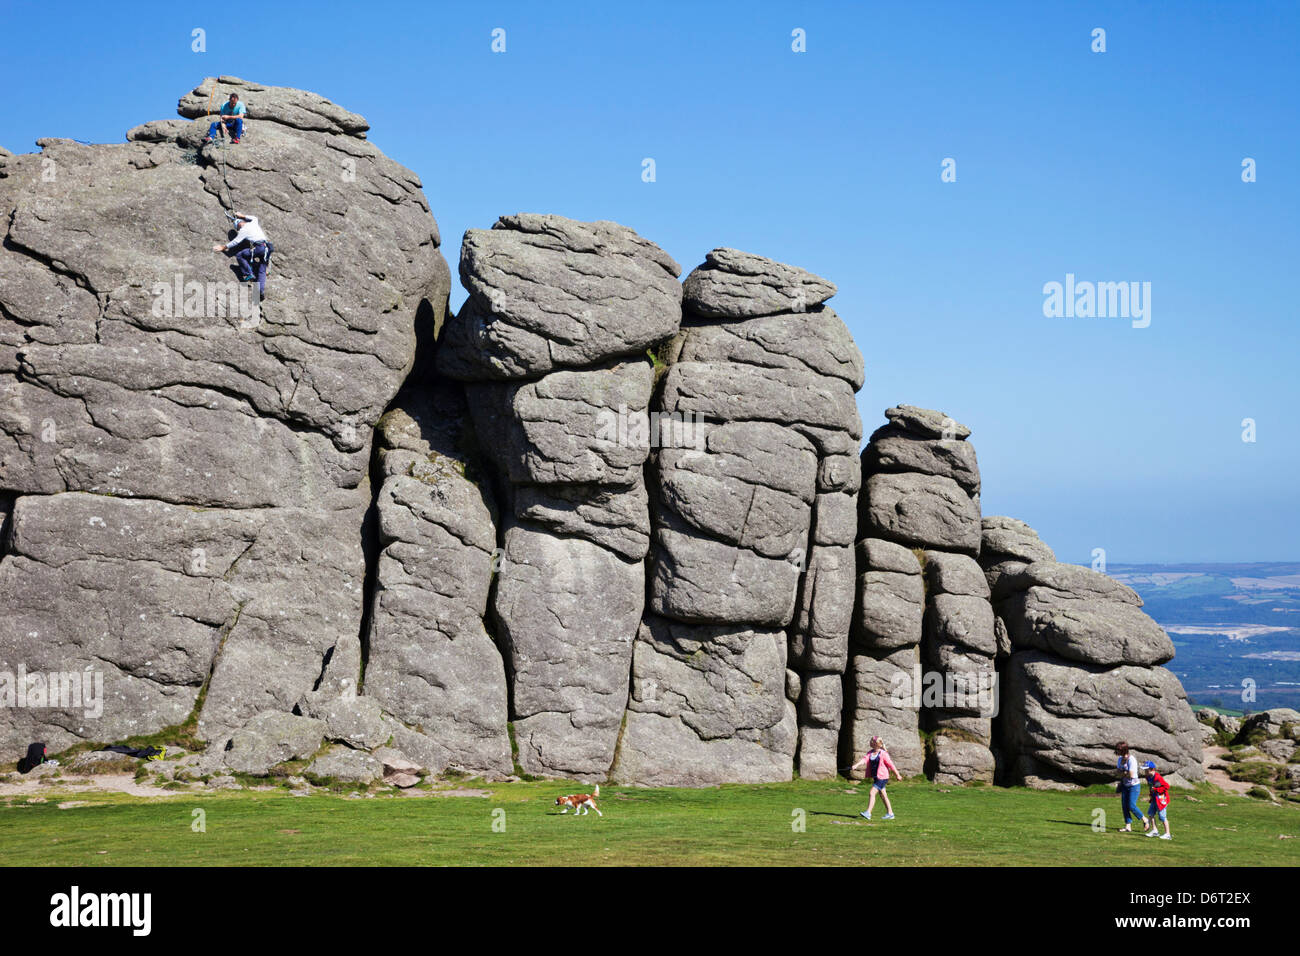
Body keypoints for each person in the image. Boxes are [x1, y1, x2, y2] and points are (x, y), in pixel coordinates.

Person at [212, 212, 273, 295]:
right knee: (262, 271)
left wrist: (223, 247)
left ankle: (249, 273)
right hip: (267, 248)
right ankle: (260, 292)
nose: (239, 230)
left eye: (238, 228)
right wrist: (242, 215)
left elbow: (235, 241)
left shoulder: (243, 230)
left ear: (239, 226)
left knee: (240, 255)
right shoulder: (253, 222)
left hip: (259, 248)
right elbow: (254, 217)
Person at [851, 735, 902, 820]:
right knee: (883, 795)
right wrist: (856, 765)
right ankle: (890, 813)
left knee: (872, 793)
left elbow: (891, 764)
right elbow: (864, 759)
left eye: (874, 742)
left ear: (879, 744)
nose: (872, 743)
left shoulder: (883, 754)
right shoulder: (870, 752)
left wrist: (897, 774)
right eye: (872, 742)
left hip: (883, 777)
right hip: (876, 777)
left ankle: (868, 813)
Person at [1115, 741, 1146, 832]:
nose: (1117, 752)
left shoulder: (1131, 759)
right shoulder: (1120, 759)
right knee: (1124, 806)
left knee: (1131, 805)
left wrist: (1123, 773)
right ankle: (1128, 826)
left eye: (1118, 750)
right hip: (1125, 785)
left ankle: (1145, 820)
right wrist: (1125, 773)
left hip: (1134, 786)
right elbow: (1118, 772)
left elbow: (1132, 775)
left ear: (1124, 750)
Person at [1142, 761, 1173, 840]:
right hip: (1154, 799)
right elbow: (1151, 787)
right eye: (1144, 770)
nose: (1145, 771)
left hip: (1161, 799)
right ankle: (1155, 830)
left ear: (1152, 769)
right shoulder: (1148, 777)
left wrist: (1156, 789)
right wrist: (1151, 796)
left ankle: (1168, 834)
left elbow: (1167, 786)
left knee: (1162, 817)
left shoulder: (1158, 777)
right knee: (1151, 814)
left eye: (1146, 770)